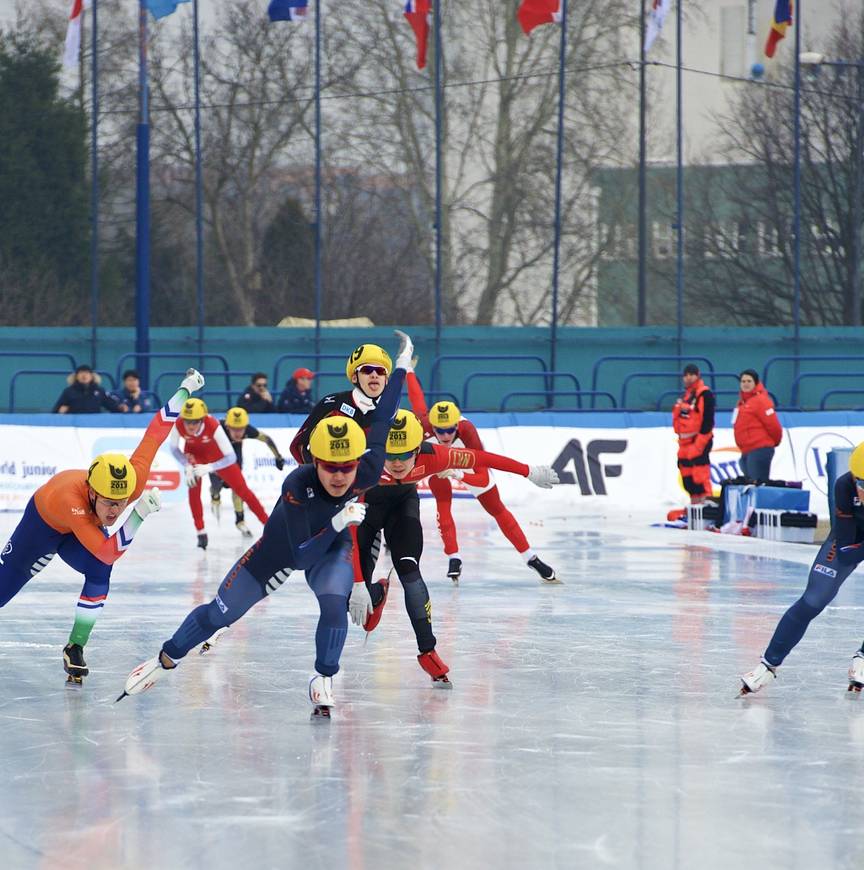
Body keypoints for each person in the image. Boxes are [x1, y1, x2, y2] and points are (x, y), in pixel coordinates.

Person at [118, 333, 413, 717]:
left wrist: (403, 366)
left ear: (360, 461)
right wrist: (339, 518)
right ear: (314, 463)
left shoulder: (370, 467)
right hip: (284, 548)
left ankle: (323, 678)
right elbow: (299, 557)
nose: (340, 477)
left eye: (347, 467)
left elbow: (387, 412)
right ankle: (164, 658)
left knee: (334, 605)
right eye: (329, 467)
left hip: (331, 547)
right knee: (217, 616)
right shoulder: (296, 486)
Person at [0, 369, 205, 683]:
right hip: (42, 526)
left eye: (122, 502)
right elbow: (109, 551)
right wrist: (136, 517)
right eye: (109, 502)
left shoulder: (131, 482)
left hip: (77, 528)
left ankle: (75, 646)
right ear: (93, 492)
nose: (116, 510)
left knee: (99, 572)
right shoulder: (73, 502)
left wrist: (185, 389)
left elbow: (158, 429)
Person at [354, 410, 560, 687]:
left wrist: (529, 471)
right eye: (390, 455)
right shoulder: (363, 461)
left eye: (405, 455)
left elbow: (483, 458)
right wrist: (357, 581)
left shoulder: (437, 456)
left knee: (409, 572)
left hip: (402, 509)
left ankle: (428, 651)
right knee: (354, 598)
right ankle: (376, 591)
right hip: (364, 512)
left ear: (418, 448)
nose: (397, 463)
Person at [406, 374, 558, 584]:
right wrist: (408, 369)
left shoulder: (468, 431)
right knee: (443, 503)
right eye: (439, 430)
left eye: (450, 429)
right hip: (438, 463)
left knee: (496, 508)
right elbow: (417, 401)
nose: (445, 435)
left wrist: (458, 473)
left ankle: (530, 557)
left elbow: (482, 473)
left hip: (466, 465)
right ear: (432, 426)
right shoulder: (423, 425)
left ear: (457, 426)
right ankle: (454, 557)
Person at [740, 442, 864, 695]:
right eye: (859, 483)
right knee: (813, 600)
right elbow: (845, 547)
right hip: (852, 540)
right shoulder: (843, 485)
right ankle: (768, 665)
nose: (861, 491)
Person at [169, 399, 270, 549]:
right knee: (193, 489)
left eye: (195, 421)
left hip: (218, 457)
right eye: (187, 421)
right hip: (194, 455)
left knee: (243, 490)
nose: (190, 426)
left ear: (202, 419)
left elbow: (231, 457)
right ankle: (200, 531)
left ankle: (268, 524)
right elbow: (174, 449)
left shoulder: (213, 425)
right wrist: (187, 465)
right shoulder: (178, 424)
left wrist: (210, 467)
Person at [210, 406, 286, 537]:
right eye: (235, 429)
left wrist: (278, 457)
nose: (239, 433)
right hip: (215, 453)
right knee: (217, 485)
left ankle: (240, 520)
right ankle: (215, 495)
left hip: (234, 452)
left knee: (237, 486)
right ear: (227, 426)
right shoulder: (217, 429)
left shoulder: (248, 430)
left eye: (241, 429)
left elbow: (266, 439)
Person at [671, 363, 715, 504]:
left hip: (698, 441)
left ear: (698, 375)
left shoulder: (704, 394)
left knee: (700, 478)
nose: (689, 378)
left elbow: (708, 422)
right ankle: (695, 509)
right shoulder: (686, 396)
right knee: (688, 481)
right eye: (686, 375)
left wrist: (699, 445)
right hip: (684, 444)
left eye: (692, 374)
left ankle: (707, 510)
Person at [732, 369, 782, 482]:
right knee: (750, 485)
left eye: (749, 381)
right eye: (743, 381)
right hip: (746, 451)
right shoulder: (742, 403)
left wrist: (773, 443)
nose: (745, 384)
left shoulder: (761, 401)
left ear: (756, 383)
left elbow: (774, 425)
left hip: (759, 449)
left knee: (758, 484)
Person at [53, 365, 125, 414]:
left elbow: (111, 404)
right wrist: (60, 412)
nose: (84, 375)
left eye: (87, 373)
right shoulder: (68, 391)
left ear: (92, 376)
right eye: (81, 373)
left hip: (93, 424)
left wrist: (120, 408)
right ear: (76, 376)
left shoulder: (99, 391)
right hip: (74, 424)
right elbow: (57, 409)